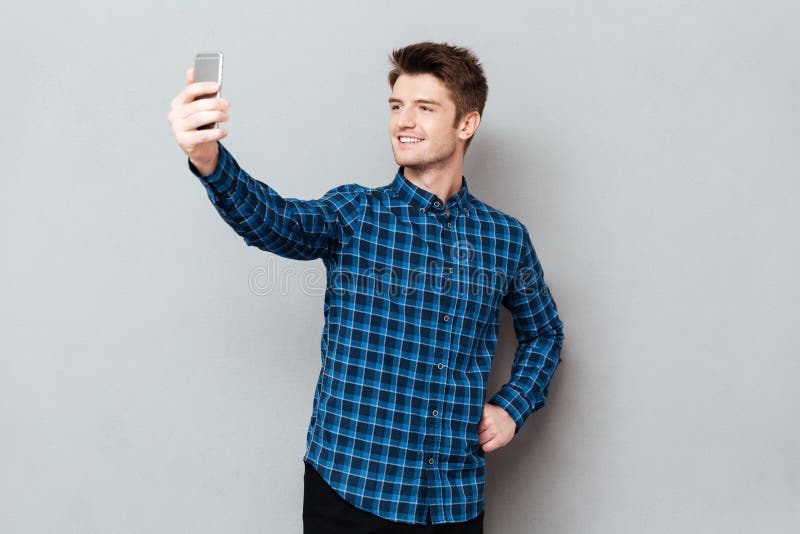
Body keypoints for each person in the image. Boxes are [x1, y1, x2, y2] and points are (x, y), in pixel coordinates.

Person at [167, 41, 565, 533]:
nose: (404, 121)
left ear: (467, 123)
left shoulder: (504, 238)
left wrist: (512, 407)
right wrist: (209, 159)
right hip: (353, 492)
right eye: (397, 106)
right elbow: (275, 222)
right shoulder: (355, 214)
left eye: (424, 108)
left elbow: (545, 333)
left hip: (454, 499)